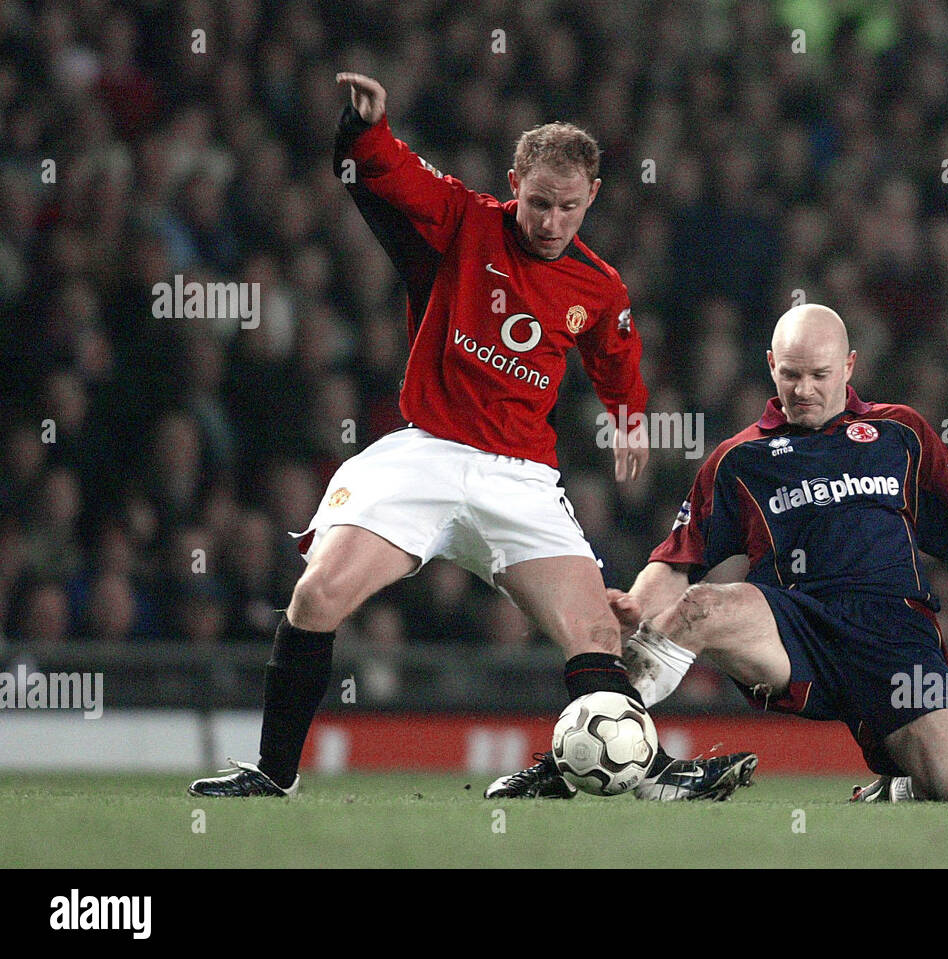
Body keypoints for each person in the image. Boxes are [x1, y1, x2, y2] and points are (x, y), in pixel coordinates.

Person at [190, 73, 754, 800]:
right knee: (318, 595)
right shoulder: (465, 218)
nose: (551, 221)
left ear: (594, 198)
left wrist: (628, 415)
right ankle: (274, 772)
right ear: (514, 183)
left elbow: (616, 358)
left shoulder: (599, 286)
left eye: (569, 207)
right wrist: (367, 127)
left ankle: (625, 776)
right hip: (425, 453)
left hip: (519, 477)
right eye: (539, 202)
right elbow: (392, 171)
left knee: (598, 633)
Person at [492, 303, 948, 801]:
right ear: (770, 367)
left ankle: (894, 788)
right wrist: (636, 606)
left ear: (850, 365)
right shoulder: (738, 459)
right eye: (790, 375)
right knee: (702, 608)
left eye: (818, 375)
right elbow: (681, 557)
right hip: (792, 623)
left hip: (895, 634)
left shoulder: (900, 432)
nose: (803, 390)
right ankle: (581, 757)